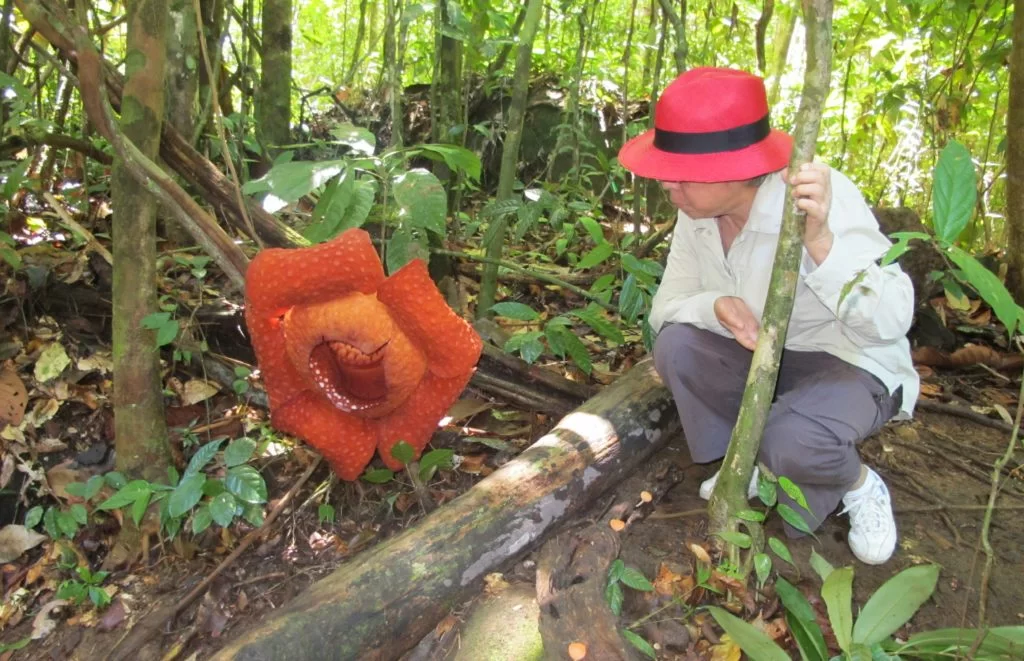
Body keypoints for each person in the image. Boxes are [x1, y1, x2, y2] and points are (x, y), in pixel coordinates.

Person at [617, 67, 919, 565]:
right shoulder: (696, 214)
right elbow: (666, 306)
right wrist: (714, 306)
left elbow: (891, 320)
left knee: (794, 439)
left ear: (737, 170)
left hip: (847, 362)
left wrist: (820, 242)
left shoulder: (814, 199)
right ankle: (754, 458)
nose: (667, 182)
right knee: (677, 346)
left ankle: (856, 482)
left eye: (682, 172)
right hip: (765, 357)